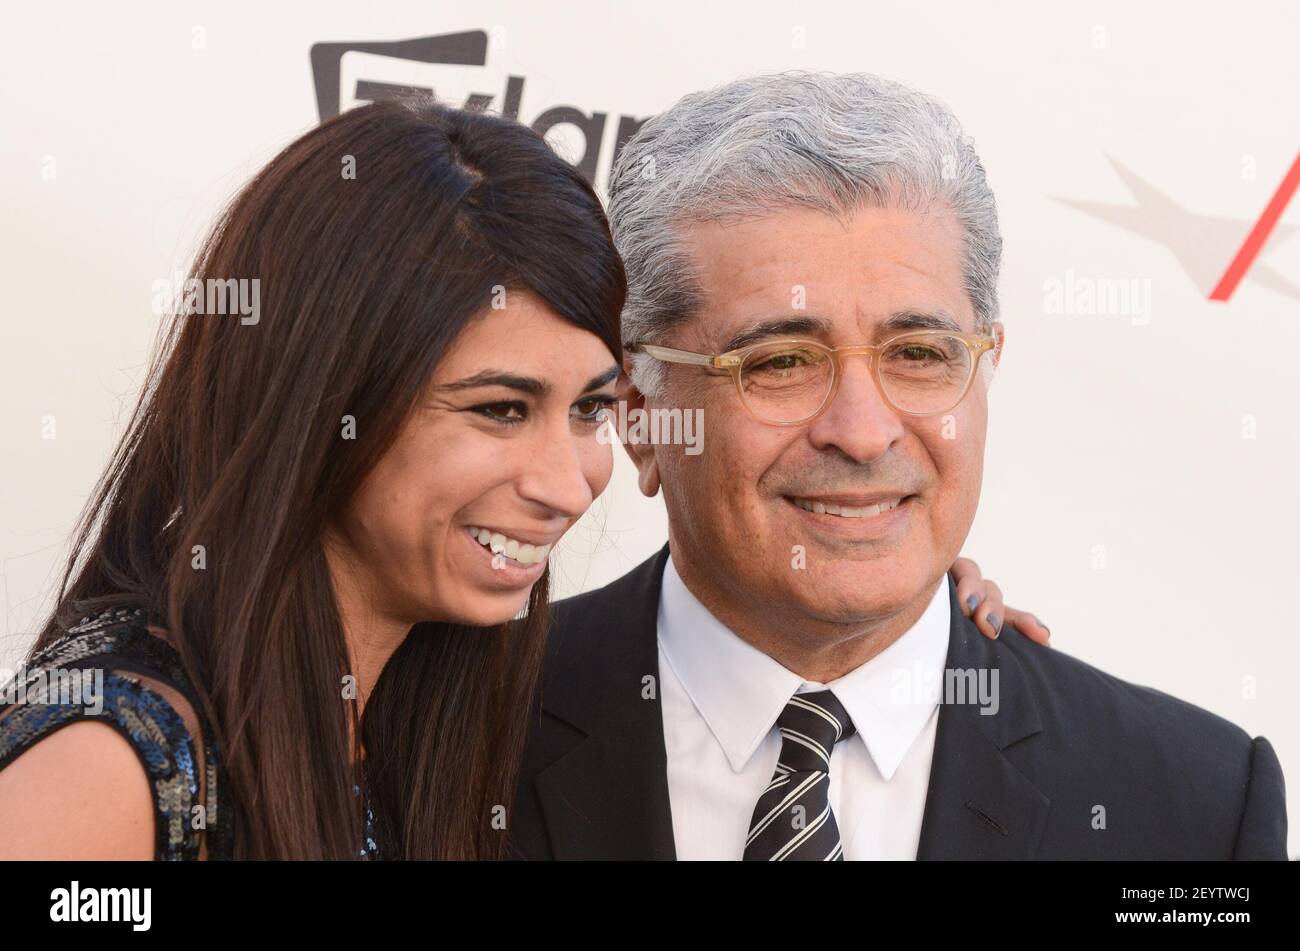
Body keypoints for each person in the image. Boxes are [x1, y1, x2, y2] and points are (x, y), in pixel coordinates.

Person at [0, 95, 1030, 860]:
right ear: (322, 404)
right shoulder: (116, 763)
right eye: (498, 409)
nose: (563, 480)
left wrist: (890, 591)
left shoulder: (431, 701)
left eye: (587, 408)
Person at [506, 72, 1288, 860]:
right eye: (780, 361)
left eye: (919, 354)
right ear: (640, 414)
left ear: (986, 371)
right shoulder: (452, 729)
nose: (864, 431)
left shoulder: (1197, 805)